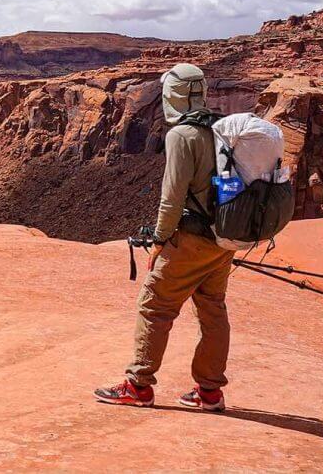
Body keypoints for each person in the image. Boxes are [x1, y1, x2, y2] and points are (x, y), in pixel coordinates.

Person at [93, 62, 233, 411]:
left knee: (155, 307)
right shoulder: (222, 128)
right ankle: (209, 392)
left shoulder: (182, 135)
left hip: (190, 240)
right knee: (212, 311)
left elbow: (172, 197)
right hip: (224, 237)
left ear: (173, 94)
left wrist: (159, 240)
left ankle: (138, 386)